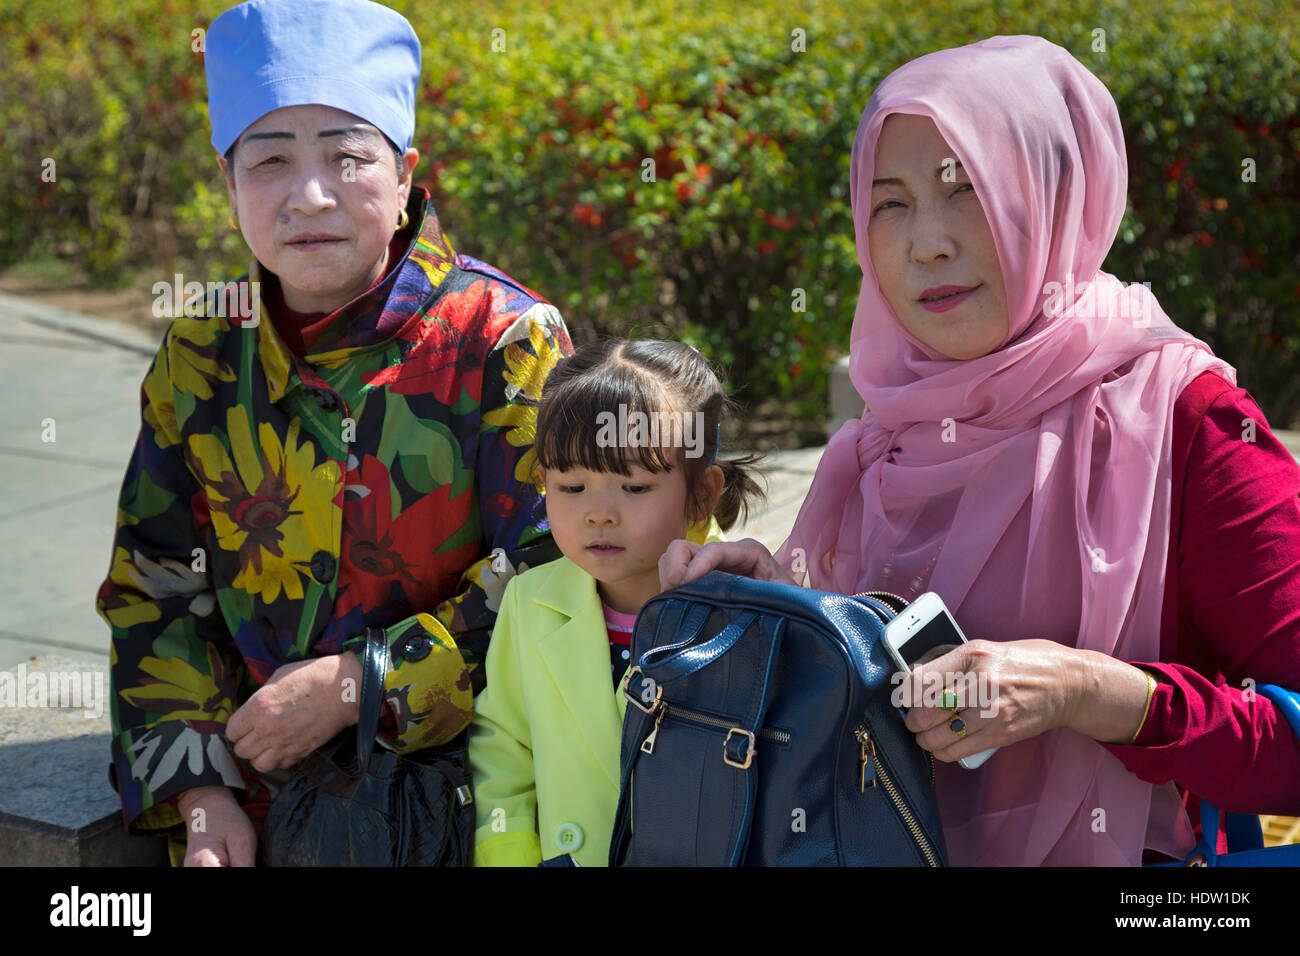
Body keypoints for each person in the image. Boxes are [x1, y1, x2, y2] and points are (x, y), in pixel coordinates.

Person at [660, 35, 1300, 865]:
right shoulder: (878, 440)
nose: (926, 242)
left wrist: (1085, 692)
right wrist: (779, 611)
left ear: (1056, 195)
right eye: (890, 203)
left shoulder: (1188, 421)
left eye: (965, 190)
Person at [94, 0, 573, 866]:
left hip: (466, 798)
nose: (309, 196)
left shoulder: (500, 336)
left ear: (403, 176)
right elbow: (155, 591)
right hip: (256, 790)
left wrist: (364, 684)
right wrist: (199, 793)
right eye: (270, 160)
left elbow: (558, 574)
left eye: (348, 156)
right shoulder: (202, 353)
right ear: (228, 181)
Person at [468, 339, 764, 865]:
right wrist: (509, 849)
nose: (598, 513)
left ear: (701, 492)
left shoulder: (747, 612)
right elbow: (503, 746)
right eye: (573, 485)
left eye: (633, 487)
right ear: (543, 484)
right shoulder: (528, 602)